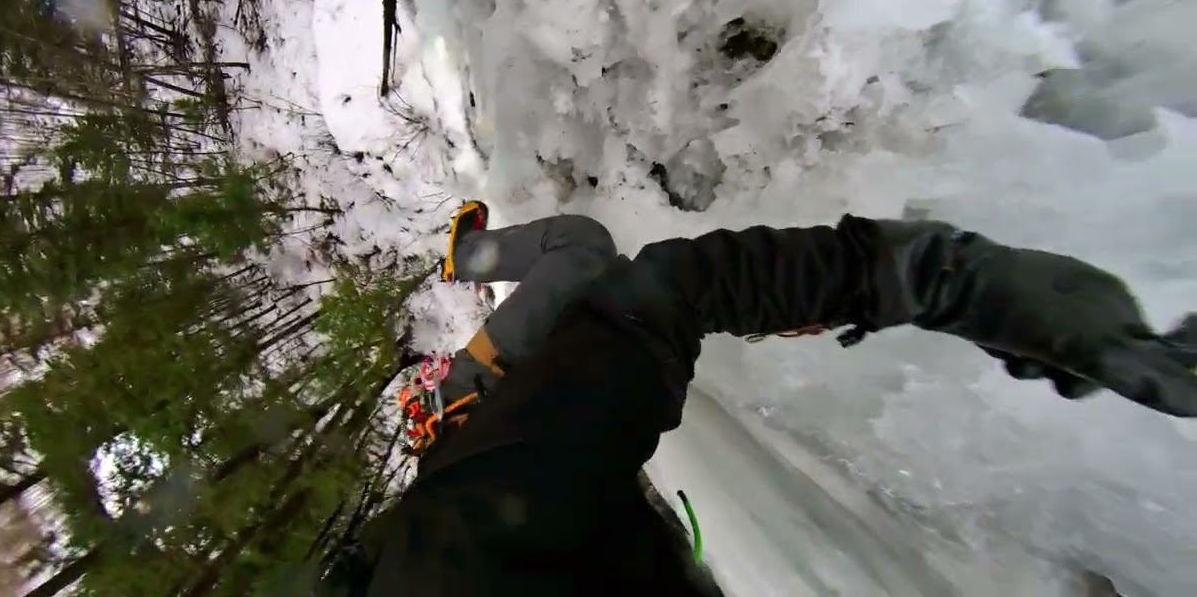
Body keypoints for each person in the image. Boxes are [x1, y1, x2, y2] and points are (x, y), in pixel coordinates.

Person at [323, 202, 1197, 596]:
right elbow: (647, 291)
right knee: (602, 260)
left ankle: (467, 260)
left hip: (508, 441)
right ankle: (466, 257)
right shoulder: (474, 512)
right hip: (503, 443)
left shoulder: (480, 508)